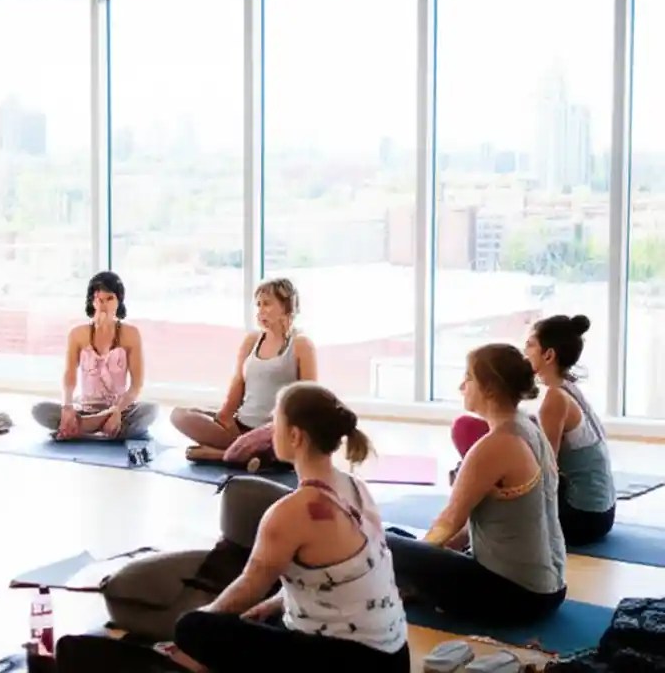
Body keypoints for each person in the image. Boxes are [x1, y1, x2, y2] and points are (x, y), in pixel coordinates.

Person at [172, 382, 408, 672]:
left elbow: (248, 587)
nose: (271, 429)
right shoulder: (355, 487)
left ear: (295, 435)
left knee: (191, 627)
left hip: (354, 661)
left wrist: (207, 619)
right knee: (262, 614)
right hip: (395, 656)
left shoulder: (291, 513)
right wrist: (273, 604)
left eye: (275, 421)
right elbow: (342, 575)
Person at [387, 344, 566, 625]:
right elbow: (471, 525)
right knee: (399, 538)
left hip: (517, 597)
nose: (462, 385)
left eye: (468, 377)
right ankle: (408, 583)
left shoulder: (494, 445)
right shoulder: (529, 427)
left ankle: (397, 585)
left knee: (381, 541)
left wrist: (417, 560)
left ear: (490, 388)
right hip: (549, 589)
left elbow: (448, 522)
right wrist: (426, 559)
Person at [169, 278, 316, 468]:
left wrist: (283, 429)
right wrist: (225, 417)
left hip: (275, 433)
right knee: (179, 415)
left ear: (286, 306)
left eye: (267, 304)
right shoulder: (252, 340)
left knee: (286, 444)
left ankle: (221, 454)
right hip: (241, 426)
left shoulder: (301, 344)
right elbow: (238, 382)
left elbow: (310, 399)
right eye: (258, 305)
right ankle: (243, 453)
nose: (261, 311)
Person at [31, 271, 157, 441]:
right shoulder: (77, 334)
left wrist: (117, 411)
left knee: (150, 410)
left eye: (110, 298)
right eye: (99, 299)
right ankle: (98, 427)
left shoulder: (131, 334)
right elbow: (69, 376)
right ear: (92, 301)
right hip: (85, 408)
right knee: (40, 410)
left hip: (119, 409)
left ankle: (83, 428)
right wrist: (67, 407)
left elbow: (136, 385)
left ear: (119, 300)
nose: (104, 304)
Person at [525, 315, 616, 545]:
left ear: (548, 355)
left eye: (530, 345)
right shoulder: (568, 388)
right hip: (602, 512)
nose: (524, 351)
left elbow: (546, 469)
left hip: (585, 518)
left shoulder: (555, 399)